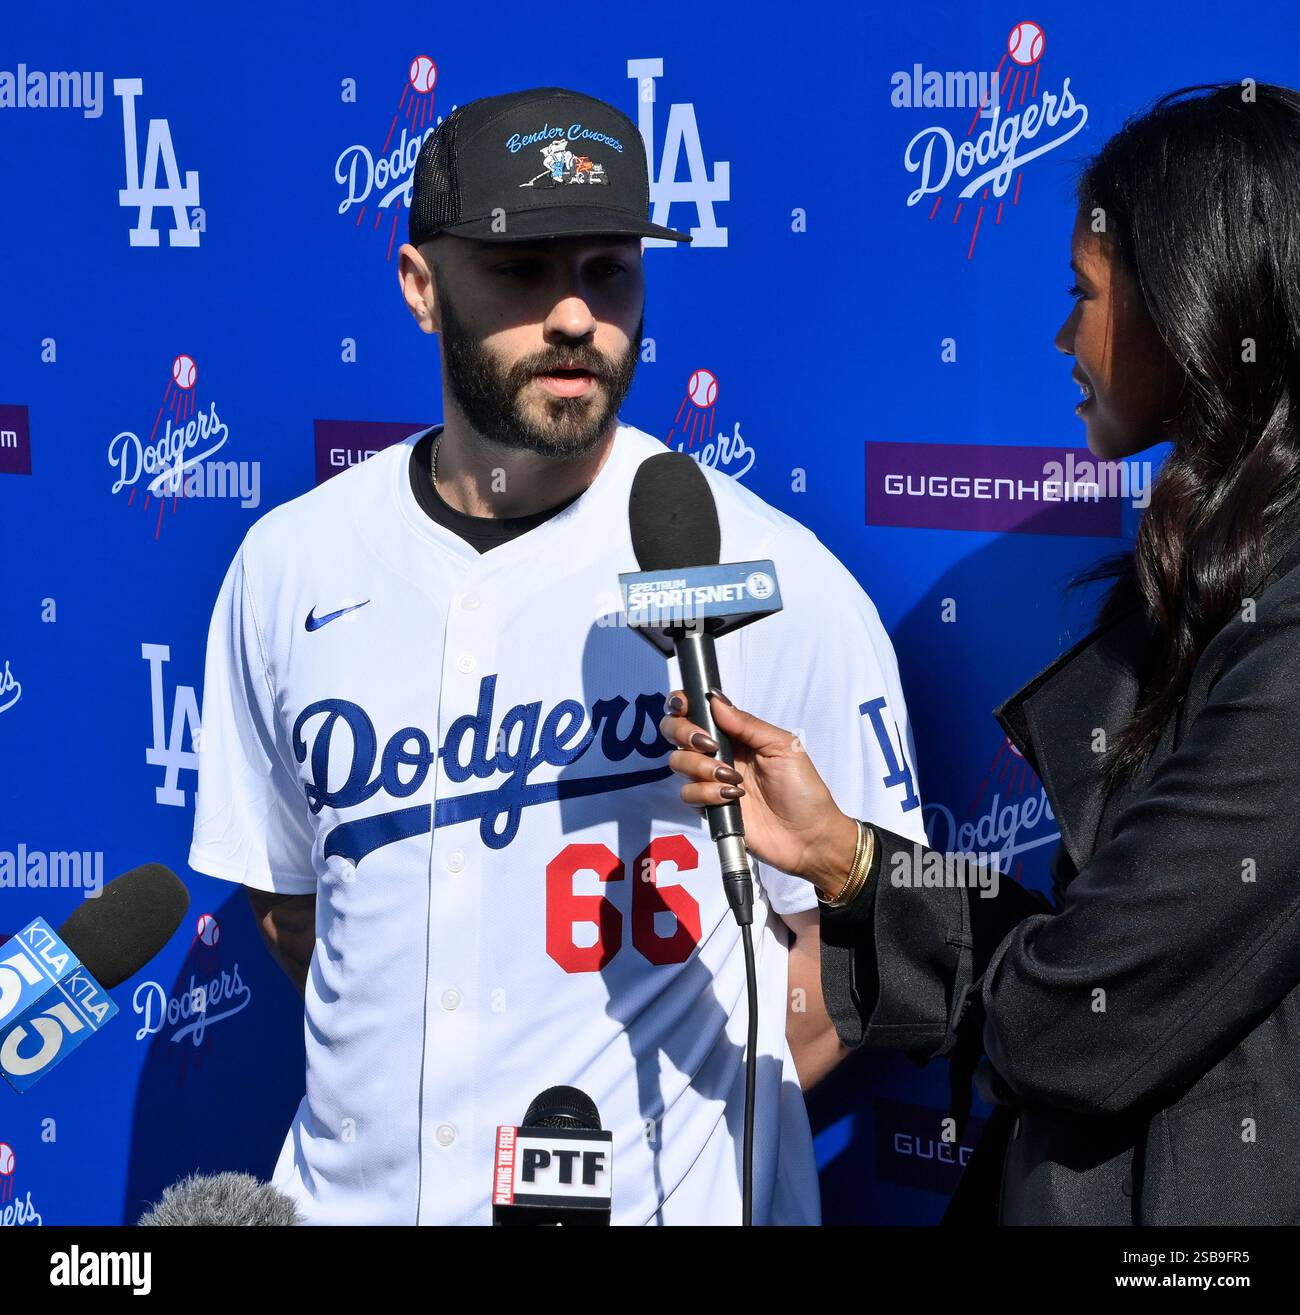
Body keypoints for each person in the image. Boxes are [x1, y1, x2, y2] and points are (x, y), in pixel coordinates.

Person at [187, 86, 927, 1225]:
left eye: (608, 270)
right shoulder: (287, 565)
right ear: (420, 288)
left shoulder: (773, 576)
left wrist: (673, 1140)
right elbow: (295, 913)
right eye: (522, 273)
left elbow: (884, 939)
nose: (574, 316)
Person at [658, 83, 1300, 1226]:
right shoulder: (1221, 588)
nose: (1063, 337)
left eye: (1084, 295)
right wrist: (846, 855)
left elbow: (1073, 1017)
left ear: (1189, 304)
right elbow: (1080, 958)